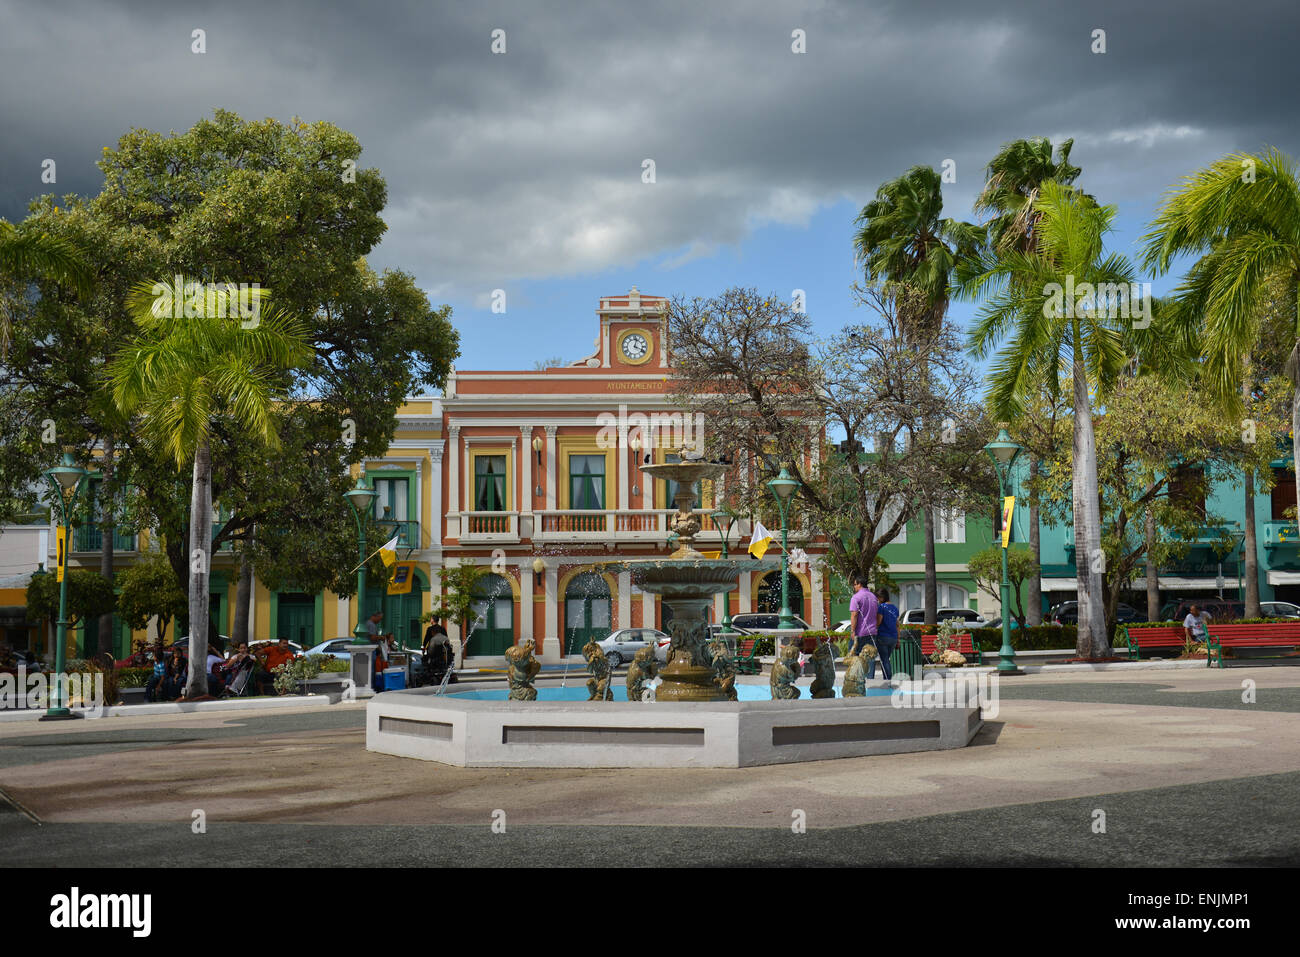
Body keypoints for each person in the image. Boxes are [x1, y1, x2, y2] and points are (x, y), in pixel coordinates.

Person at [869, 588, 901, 681]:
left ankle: (888, 680)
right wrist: (898, 640)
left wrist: (871, 626)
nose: (877, 600)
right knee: (886, 659)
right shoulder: (895, 608)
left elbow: (878, 622)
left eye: (878, 598)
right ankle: (887, 678)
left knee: (884, 660)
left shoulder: (881, 607)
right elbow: (897, 625)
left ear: (882, 597)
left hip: (883, 637)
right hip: (893, 638)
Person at [848, 575, 879, 658]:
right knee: (870, 657)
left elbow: (854, 615)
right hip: (872, 632)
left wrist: (852, 631)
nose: (854, 587)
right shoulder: (874, 597)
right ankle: (870, 672)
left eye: (855, 584)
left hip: (860, 633)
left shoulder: (856, 597)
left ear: (859, 584)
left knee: (854, 658)